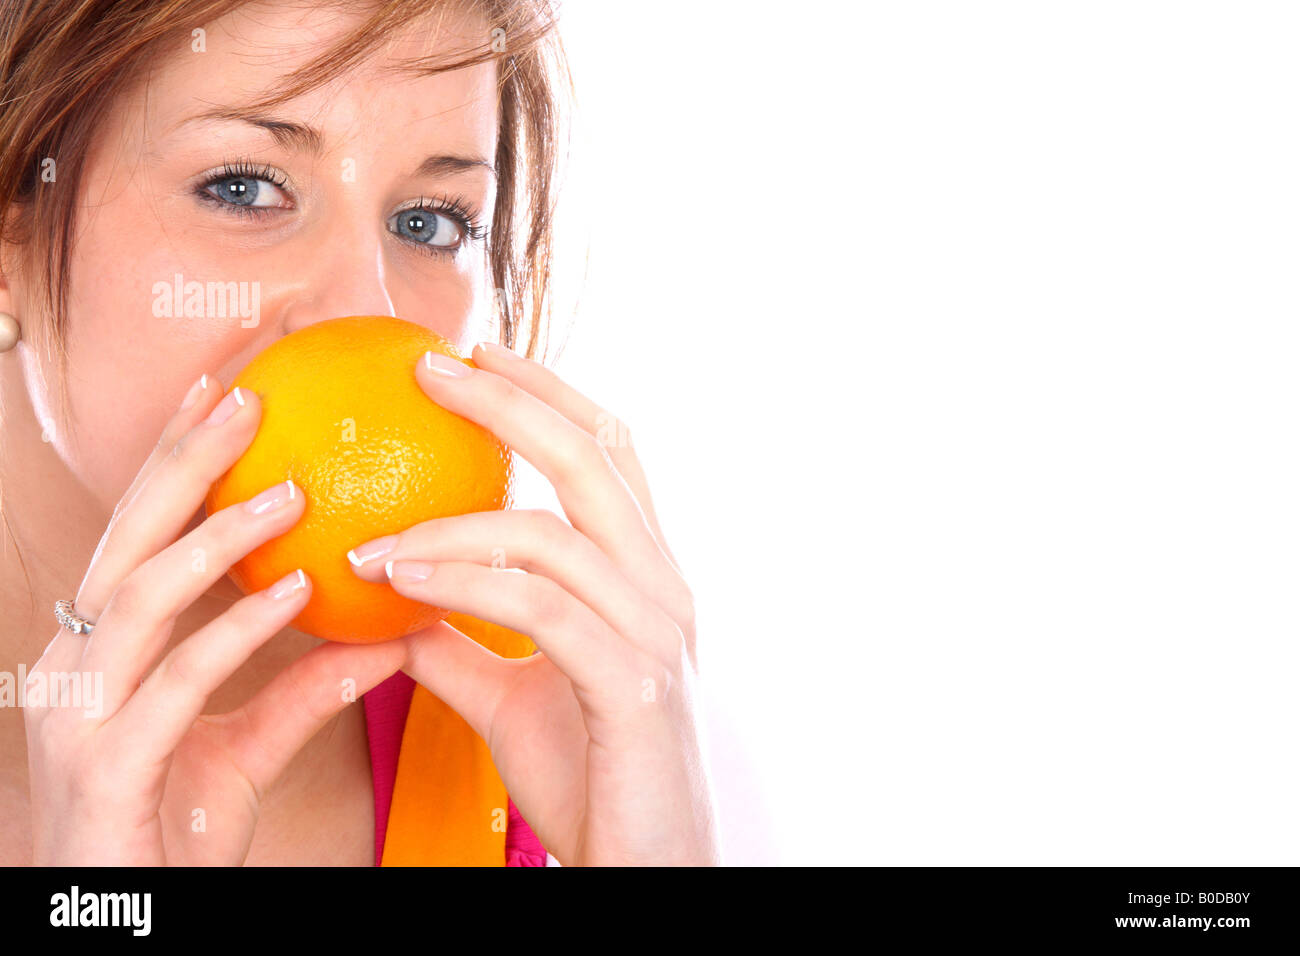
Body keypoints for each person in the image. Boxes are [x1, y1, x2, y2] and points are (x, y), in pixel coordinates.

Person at [0, 0, 718, 866]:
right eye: (243, 187)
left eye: (428, 222)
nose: (364, 313)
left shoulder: (571, 719)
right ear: (13, 234)